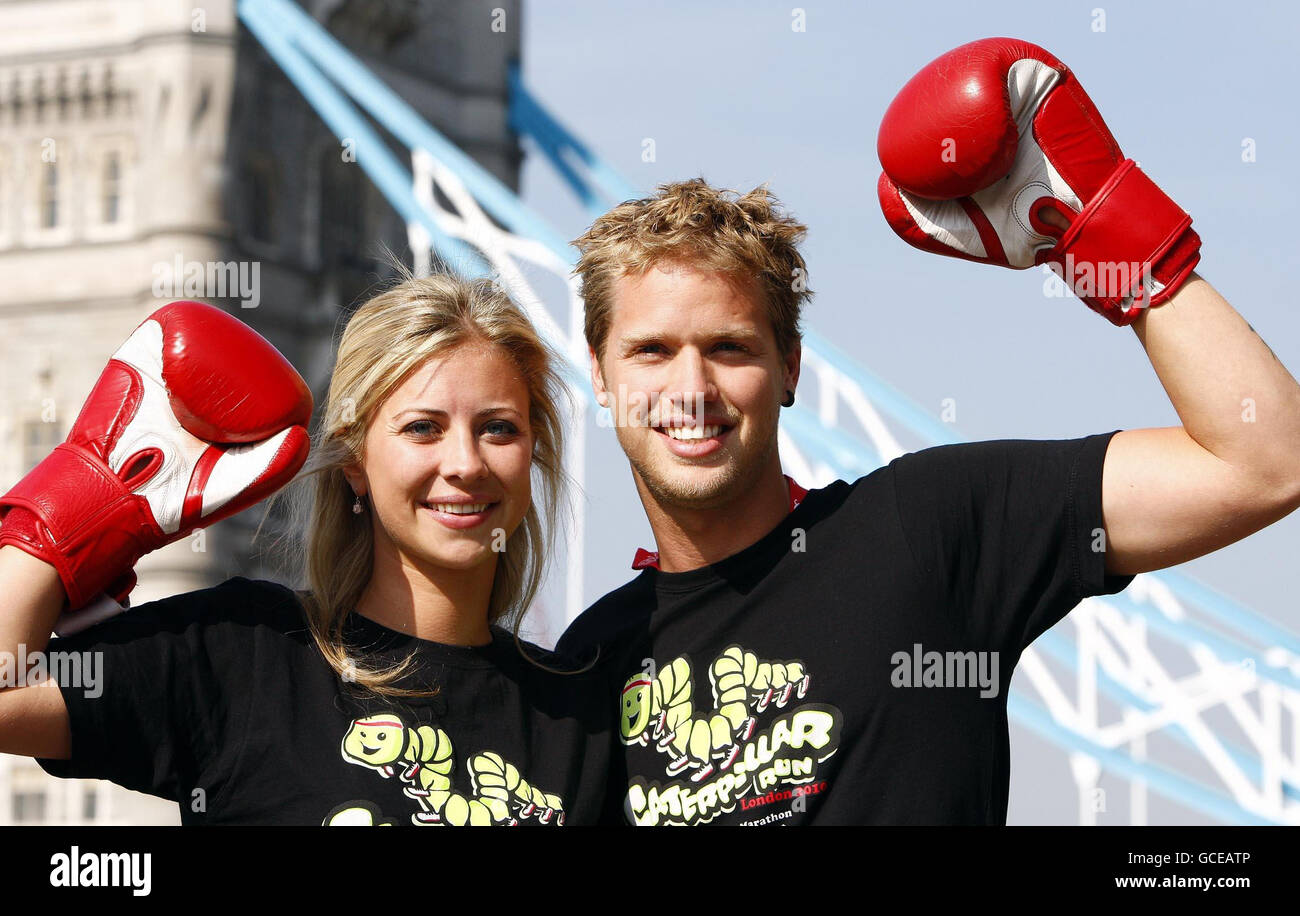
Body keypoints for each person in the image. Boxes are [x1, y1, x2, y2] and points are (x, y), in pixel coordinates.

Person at [556, 38, 1300, 825]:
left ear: (790, 368)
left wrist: (1098, 233)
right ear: (602, 378)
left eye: (730, 347)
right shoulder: (585, 666)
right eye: (652, 352)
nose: (691, 388)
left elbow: (1264, 461)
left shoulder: (929, 527)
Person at [0, 273, 614, 826]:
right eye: (422, 427)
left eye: (499, 428)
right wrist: (81, 505)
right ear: (354, 463)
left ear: (533, 451)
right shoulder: (245, 654)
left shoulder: (582, 717)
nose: (464, 464)